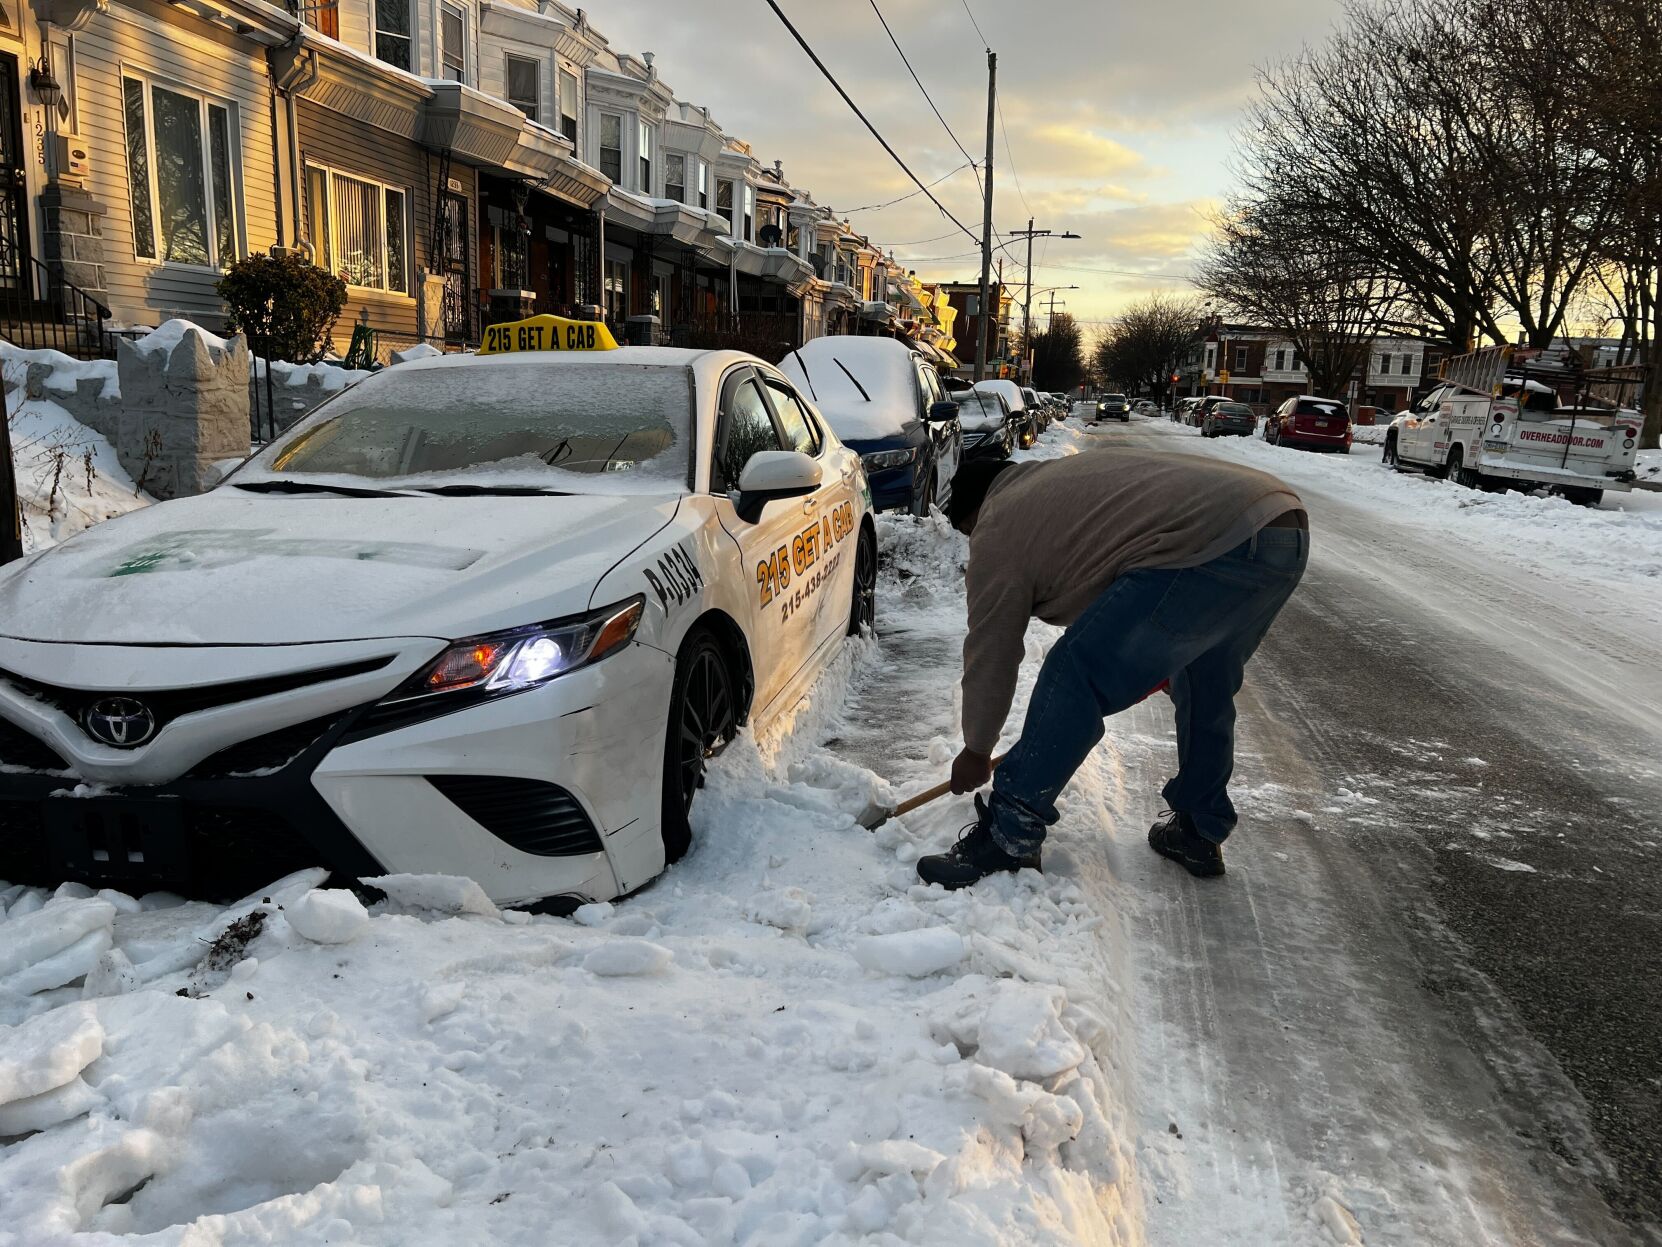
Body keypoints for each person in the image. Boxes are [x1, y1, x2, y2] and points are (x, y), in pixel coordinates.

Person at [915, 451, 1308, 889]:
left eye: (966, 531)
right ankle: (1198, 829)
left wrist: (975, 748)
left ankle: (1010, 834)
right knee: (1203, 680)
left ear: (972, 511)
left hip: (1205, 542)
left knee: (1075, 670)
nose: (972, 542)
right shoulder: (1048, 490)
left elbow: (992, 647)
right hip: (1280, 530)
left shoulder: (998, 525)